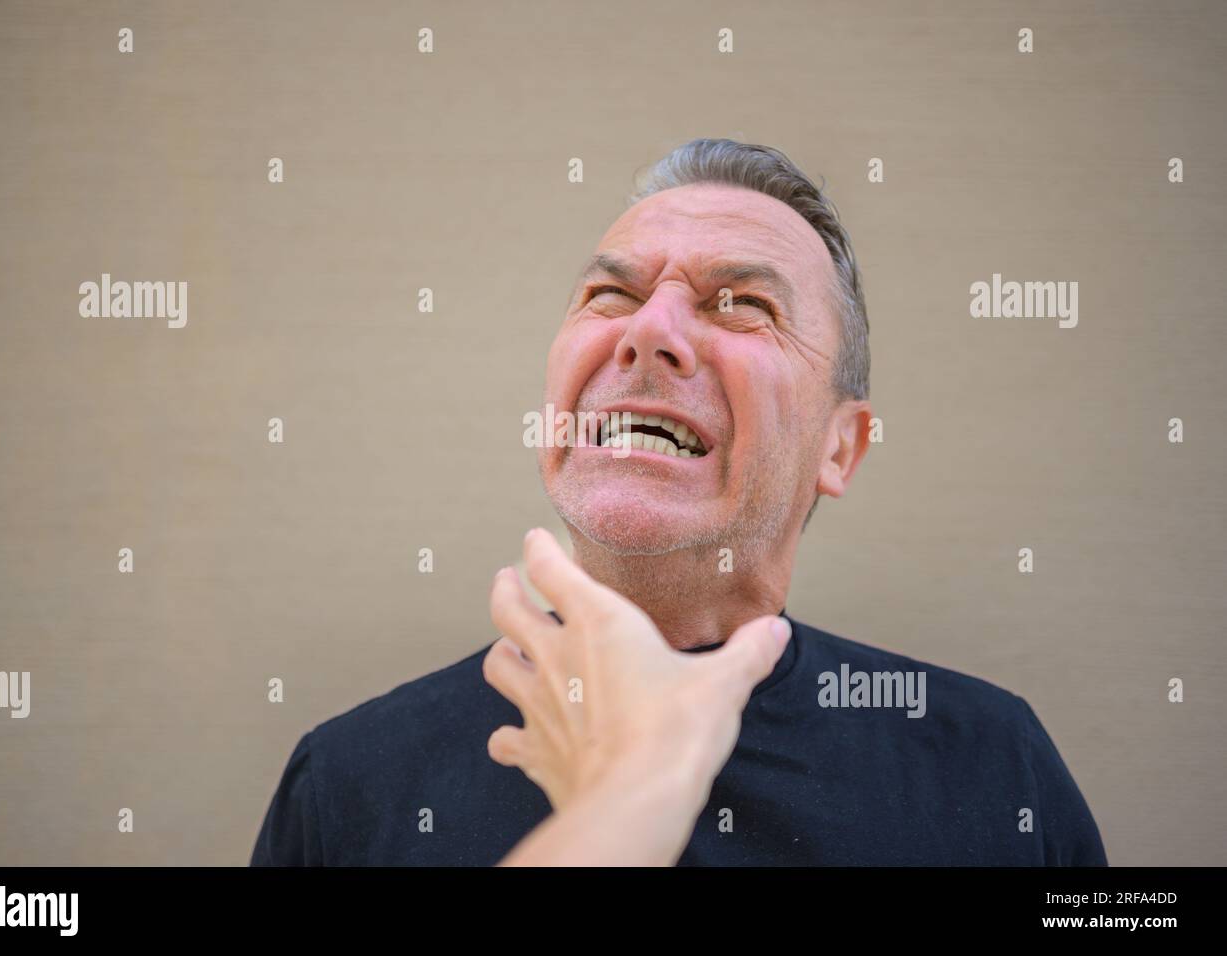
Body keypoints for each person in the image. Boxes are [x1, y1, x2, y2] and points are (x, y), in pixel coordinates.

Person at [250, 138, 1107, 866]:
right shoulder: (348, 787)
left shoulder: (994, 769)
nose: (646, 330)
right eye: (610, 295)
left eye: (741, 305)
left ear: (838, 446)